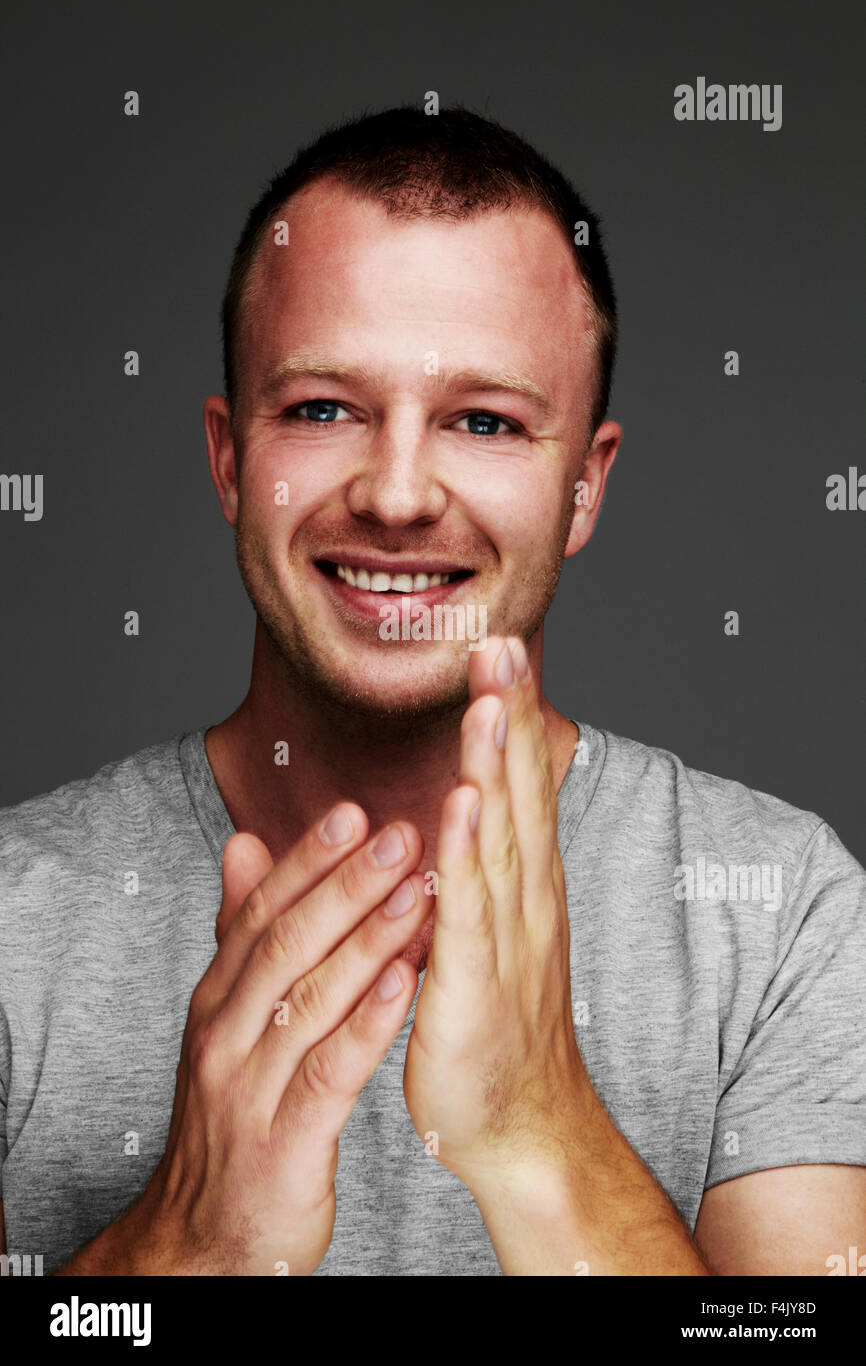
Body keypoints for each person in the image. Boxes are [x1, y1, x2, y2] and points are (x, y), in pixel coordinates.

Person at [1, 106, 864, 1277]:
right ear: (227, 459)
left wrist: (537, 1134)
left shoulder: (785, 916)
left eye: (483, 420)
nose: (398, 493)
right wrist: (182, 1249)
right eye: (320, 408)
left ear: (582, 487)